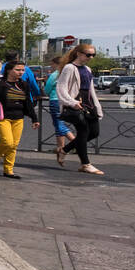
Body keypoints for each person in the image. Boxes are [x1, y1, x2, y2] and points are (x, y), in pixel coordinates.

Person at [56, 43, 105, 175]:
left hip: (89, 103)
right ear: (79, 54)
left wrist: (97, 107)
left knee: (94, 132)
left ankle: (64, 150)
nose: (91, 57)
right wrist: (71, 102)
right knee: (83, 132)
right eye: (88, 54)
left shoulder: (87, 69)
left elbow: (91, 90)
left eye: (93, 55)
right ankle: (85, 164)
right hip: (77, 104)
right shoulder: (69, 68)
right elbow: (61, 88)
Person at [0, 60, 40, 179]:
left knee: (14, 145)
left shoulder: (23, 84)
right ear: (9, 70)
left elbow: (28, 102)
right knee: (7, 142)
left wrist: (34, 118)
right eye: (18, 70)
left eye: (22, 70)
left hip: (18, 117)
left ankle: (8, 170)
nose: (21, 72)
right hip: (2, 117)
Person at [44, 56, 76, 166]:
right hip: (66, 101)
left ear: (56, 64)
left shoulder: (55, 75)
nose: (51, 66)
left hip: (55, 100)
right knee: (58, 124)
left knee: (59, 124)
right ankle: (61, 149)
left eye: (52, 64)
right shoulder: (67, 74)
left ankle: (75, 142)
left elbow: (47, 89)